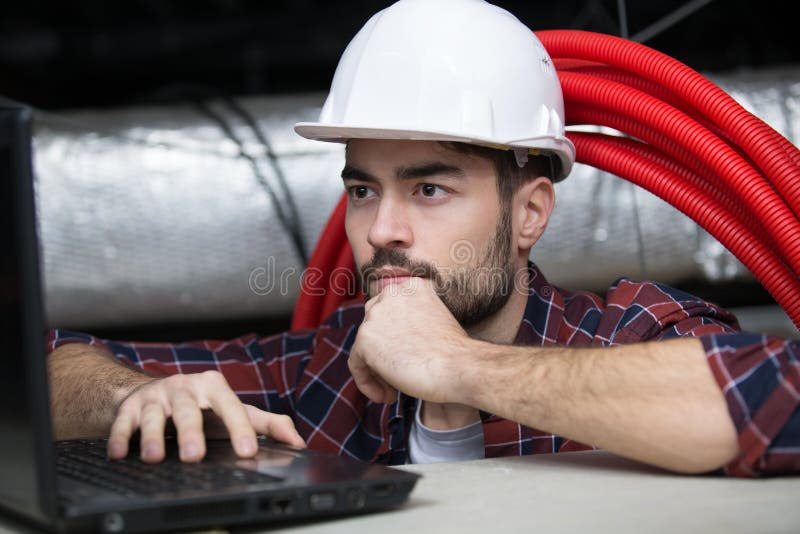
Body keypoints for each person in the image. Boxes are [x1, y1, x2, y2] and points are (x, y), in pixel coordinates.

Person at [47, 0, 799, 477]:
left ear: (530, 213)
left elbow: (779, 394)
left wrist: (457, 367)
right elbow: (33, 364)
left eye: (429, 188)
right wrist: (134, 396)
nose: (381, 231)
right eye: (363, 189)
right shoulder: (324, 369)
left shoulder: (629, 334)